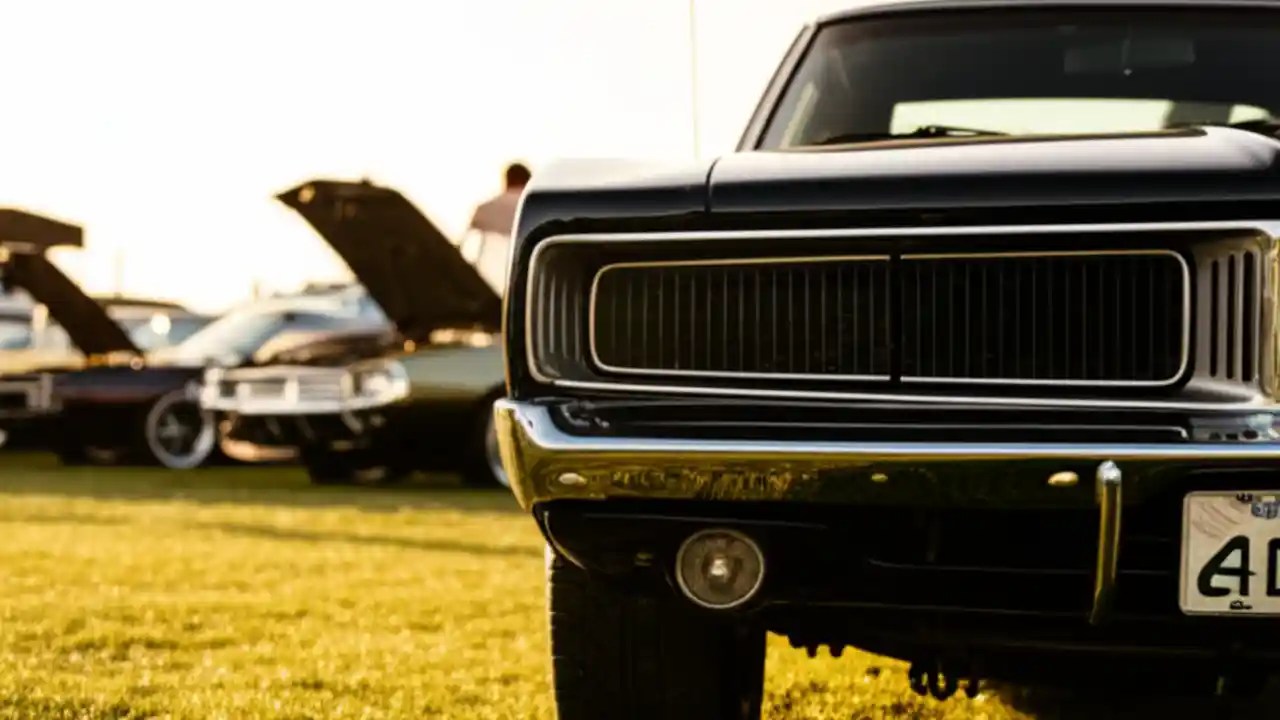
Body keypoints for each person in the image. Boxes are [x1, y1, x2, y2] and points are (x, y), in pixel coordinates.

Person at [464, 162, 531, 292]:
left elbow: (467, 244)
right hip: (522, 281)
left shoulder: (484, 208)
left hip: (487, 280)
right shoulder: (533, 208)